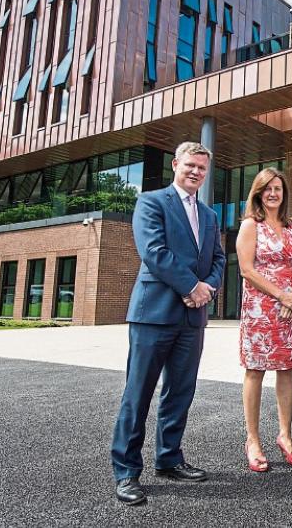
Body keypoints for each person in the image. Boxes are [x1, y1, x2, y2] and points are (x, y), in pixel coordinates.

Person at [111, 142, 226, 506]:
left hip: (192, 318)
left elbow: (220, 258)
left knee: (180, 392)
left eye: (202, 168)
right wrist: (191, 286)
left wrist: (207, 288)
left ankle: (169, 458)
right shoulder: (151, 202)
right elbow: (154, 252)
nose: (195, 172)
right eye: (190, 165)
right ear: (176, 164)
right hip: (154, 315)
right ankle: (126, 471)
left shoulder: (209, 215)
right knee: (138, 394)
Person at [237, 168, 292, 471]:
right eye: (267, 188)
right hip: (260, 309)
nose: (272, 193)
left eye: (277, 188)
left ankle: (285, 436)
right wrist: (281, 295)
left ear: (284, 192)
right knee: (255, 371)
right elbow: (246, 270)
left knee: (287, 371)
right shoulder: (250, 226)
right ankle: (253, 440)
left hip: (289, 309)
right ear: (258, 192)